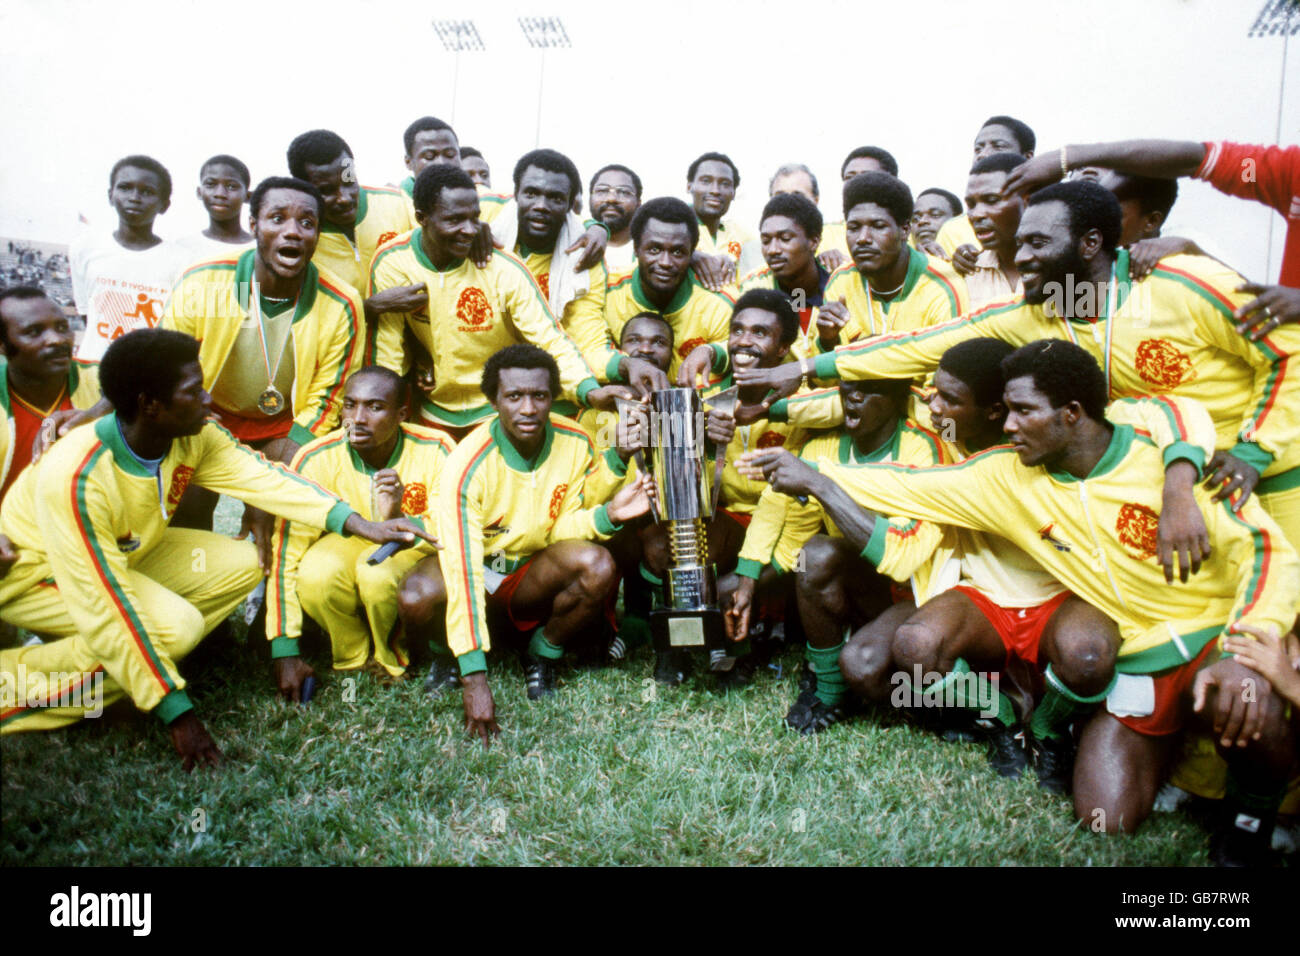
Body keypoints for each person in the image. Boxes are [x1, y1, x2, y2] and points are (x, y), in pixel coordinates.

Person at [741, 340, 1299, 863]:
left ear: (1072, 414)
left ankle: (1248, 826)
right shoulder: (1007, 475)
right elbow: (905, 485)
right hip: (1142, 655)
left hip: (1214, 640)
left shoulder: (1172, 466)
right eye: (1004, 411)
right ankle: (1049, 729)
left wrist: (1243, 642)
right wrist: (815, 475)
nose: (1007, 426)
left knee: (1252, 691)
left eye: (1022, 412)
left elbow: (1268, 550)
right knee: (1104, 820)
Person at [740, 180, 1300, 557]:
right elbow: (920, 345)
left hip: (1266, 472)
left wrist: (1255, 451)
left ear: (1090, 243)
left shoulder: (1183, 285)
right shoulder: (1040, 310)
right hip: (1166, 475)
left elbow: (1290, 350)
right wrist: (812, 366)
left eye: (1037, 242)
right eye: (1020, 241)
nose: (1022, 256)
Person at [0, 329, 434, 766]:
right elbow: (103, 604)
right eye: (194, 391)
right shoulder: (77, 475)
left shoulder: (193, 434)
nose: (209, 399)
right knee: (174, 630)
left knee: (248, 562)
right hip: (34, 574)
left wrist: (358, 523)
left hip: (127, 556)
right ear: (150, 405)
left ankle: (132, 663)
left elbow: (267, 480)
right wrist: (177, 713)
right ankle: (15, 685)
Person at [403, 345, 654, 740]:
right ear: (493, 400)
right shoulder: (466, 464)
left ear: (552, 397)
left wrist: (608, 514)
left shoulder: (575, 440)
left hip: (531, 567)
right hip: (482, 566)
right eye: (514, 396)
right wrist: (475, 679)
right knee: (417, 595)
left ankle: (543, 653)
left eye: (539, 396)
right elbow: (462, 568)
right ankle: (447, 654)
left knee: (598, 563)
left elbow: (558, 528)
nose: (528, 408)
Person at [731, 372, 948, 731]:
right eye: (849, 388)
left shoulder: (921, 448)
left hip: (917, 591)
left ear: (896, 397)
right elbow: (787, 523)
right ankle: (828, 689)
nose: (854, 397)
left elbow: (906, 554)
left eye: (868, 390)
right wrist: (749, 581)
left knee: (864, 670)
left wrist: (823, 484)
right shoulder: (821, 447)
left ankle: (963, 703)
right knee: (815, 553)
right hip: (865, 585)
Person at [162, 176, 364, 551]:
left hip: (285, 424)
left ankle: (269, 596)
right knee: (188, 506)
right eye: (277, 218)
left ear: (318, 235)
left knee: (284, 513)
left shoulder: (341, 302)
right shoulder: (206, 280)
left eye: (307, 223)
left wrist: (269, 490)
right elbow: (168, 363)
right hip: (211, 413)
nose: (293, 232)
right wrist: (198, 422)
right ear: (253, 225)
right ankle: (199, 588)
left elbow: (328, 397)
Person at [370, 165, 626, 441]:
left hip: (496, 410)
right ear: (422, 218)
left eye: (474, 219)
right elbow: (388, 353)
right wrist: (380, 416)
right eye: (455, 220)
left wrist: (588, 390)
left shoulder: (501, 266)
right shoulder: (392, 262)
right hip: (433, 410)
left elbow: (549, 338)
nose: (469, 230)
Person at [265, 366, 454, 692]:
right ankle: (352, 654)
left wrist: (400, 515)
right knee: (316, 573)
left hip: (414, 548)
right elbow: (286, 550)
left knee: (375, 572)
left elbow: (450, 525)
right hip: (349, 541)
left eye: (375, 407)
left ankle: (390, 655)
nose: (358, 418)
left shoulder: (436, 448)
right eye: (350, 405)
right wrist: (283, 647)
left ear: (401, 414)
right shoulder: (315, 457)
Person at [1003, 137, 1300, 335]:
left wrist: (1192, 251)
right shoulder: (1288, 173)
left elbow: (1241, 307)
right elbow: (1200, 160)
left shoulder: (1185, 267)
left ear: (1152, 222)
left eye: (1111, 210)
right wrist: (1069, 156)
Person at [69, 155, 187, 362]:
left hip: (148, 372)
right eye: (125, 188)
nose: (134, 197)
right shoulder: (84, 247)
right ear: (110, 195)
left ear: (164, 205)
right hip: (92, 367)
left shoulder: (182, 259)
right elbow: (87, 315)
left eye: (147, 192)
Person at [604, 197, 735, 381]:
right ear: (636, 248)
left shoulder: (718, 299)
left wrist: (711, 351)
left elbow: (740, 347)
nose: (665, 263)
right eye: (654, 250)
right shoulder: (607, 294)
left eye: (677, 252)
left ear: (692, 252)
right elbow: (590, 349)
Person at [287, 129, 414, 304]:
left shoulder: (398, 203)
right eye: (326, 190)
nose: (344, 198)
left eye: (349, 182)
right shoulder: (297, 238)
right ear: (303, 188)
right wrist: (370, 307)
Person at [0, 287, 100, 500]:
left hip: (86, 524)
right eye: (34, 332)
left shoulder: (104, 380)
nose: (57, 339)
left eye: (63, 327)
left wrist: (103, 412)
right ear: (2, 346)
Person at [935, 115, 1036, 272]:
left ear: (1028, 157)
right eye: (978, 148)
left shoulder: (1052, 219)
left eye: (998, 146)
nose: (982, 154)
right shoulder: (951, 230)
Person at [738, 193, 831, 361]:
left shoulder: (841, 283)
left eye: (785, 239)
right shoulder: (754, 287)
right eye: (766, 241)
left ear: (813, 242)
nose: (773, 250)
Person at [960, 153, 1028, 308]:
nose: (976, 214)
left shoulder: (1062, 270)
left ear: (1027, 200)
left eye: (991, 201)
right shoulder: (968, 271)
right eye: (971, 205)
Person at [171, 154, 254, 270]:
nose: (220, 194)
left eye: (231, 186)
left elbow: (245, 288)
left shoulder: (255, 250)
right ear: (199, 192)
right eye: (210, 184)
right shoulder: (183, 248)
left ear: (248, 196)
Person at [687, 152, 762, 277]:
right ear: (689, 187)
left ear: (733, 193)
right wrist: (688, 255)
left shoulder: (742, 235)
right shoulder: (671, 225)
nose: (715, 190)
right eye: (706, 181)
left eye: (725, 184)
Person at [768, 162, 848, 269]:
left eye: (797, 196)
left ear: (815, 201)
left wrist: (841, 263)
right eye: (780, 196)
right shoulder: (756, 249)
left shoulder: (843, 236)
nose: (787, 203)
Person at [590, 163, 642, 279]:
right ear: (590, 198)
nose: (611, 199)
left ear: (638, 203)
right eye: (602, 190)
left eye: (624, 192)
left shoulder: (649, 251)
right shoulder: (571, 242)